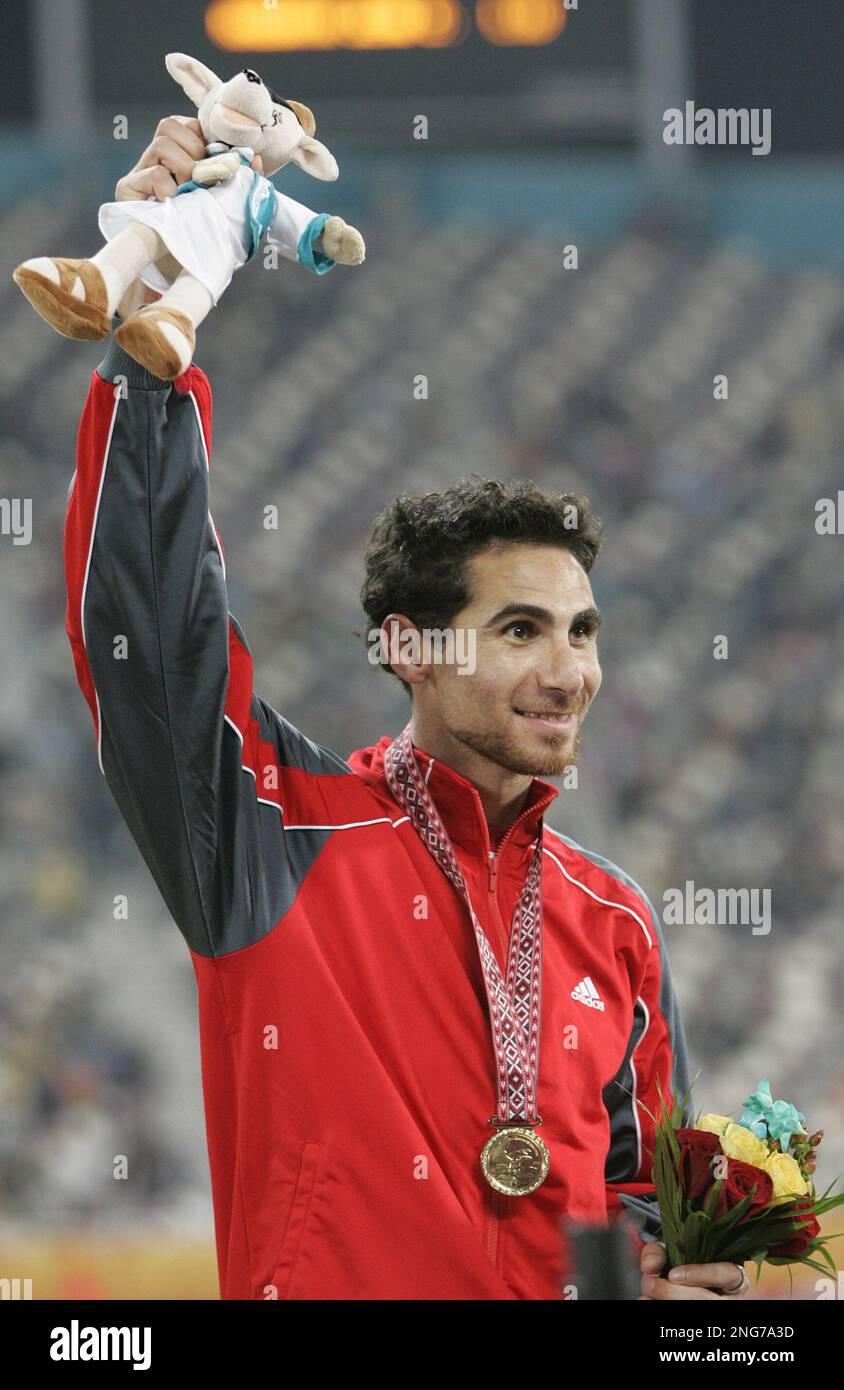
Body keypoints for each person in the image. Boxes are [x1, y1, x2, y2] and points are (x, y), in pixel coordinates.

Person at [62, 115, 750, 1302]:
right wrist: (149, 353)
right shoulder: (273, 833)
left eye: (583, 632)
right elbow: (151, 642)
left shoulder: (615, 920)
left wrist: (685, 1276)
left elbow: (646, 1201)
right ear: (409, 647)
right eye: (520, 629)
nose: (570, 670)